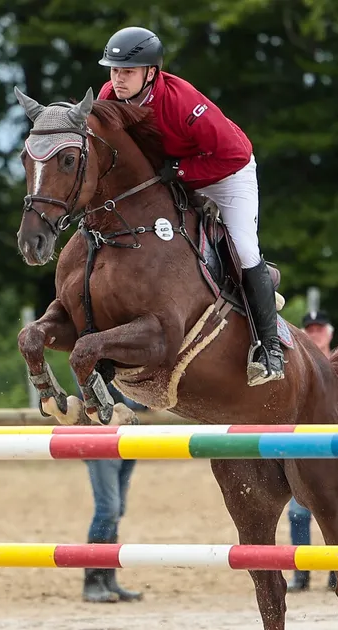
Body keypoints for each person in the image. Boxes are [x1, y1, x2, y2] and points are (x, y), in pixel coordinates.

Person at [96, 26, 283, 388]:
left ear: (152, 72)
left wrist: (180, 171)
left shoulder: (182, 101)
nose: (117, 80)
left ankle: (269, 350)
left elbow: (234, 154)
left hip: (226, 173)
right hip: (171, 175)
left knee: (245, 248)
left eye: (127, 72)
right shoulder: (110, 97)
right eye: (114, 70)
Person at [285, 310, 338, 593]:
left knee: (335, 513)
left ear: (329, 333)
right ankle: (301, 572)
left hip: (336, 451)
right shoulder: (297, 367)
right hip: (303, 449)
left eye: (320, 329)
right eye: (311, 329)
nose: (315, 333)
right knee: (298, 512)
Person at [81, 380, 147, 603]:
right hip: (101, 434)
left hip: (129, 434)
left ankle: (108, 580)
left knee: (117, 510)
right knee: (108, 509)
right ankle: (93, 582)